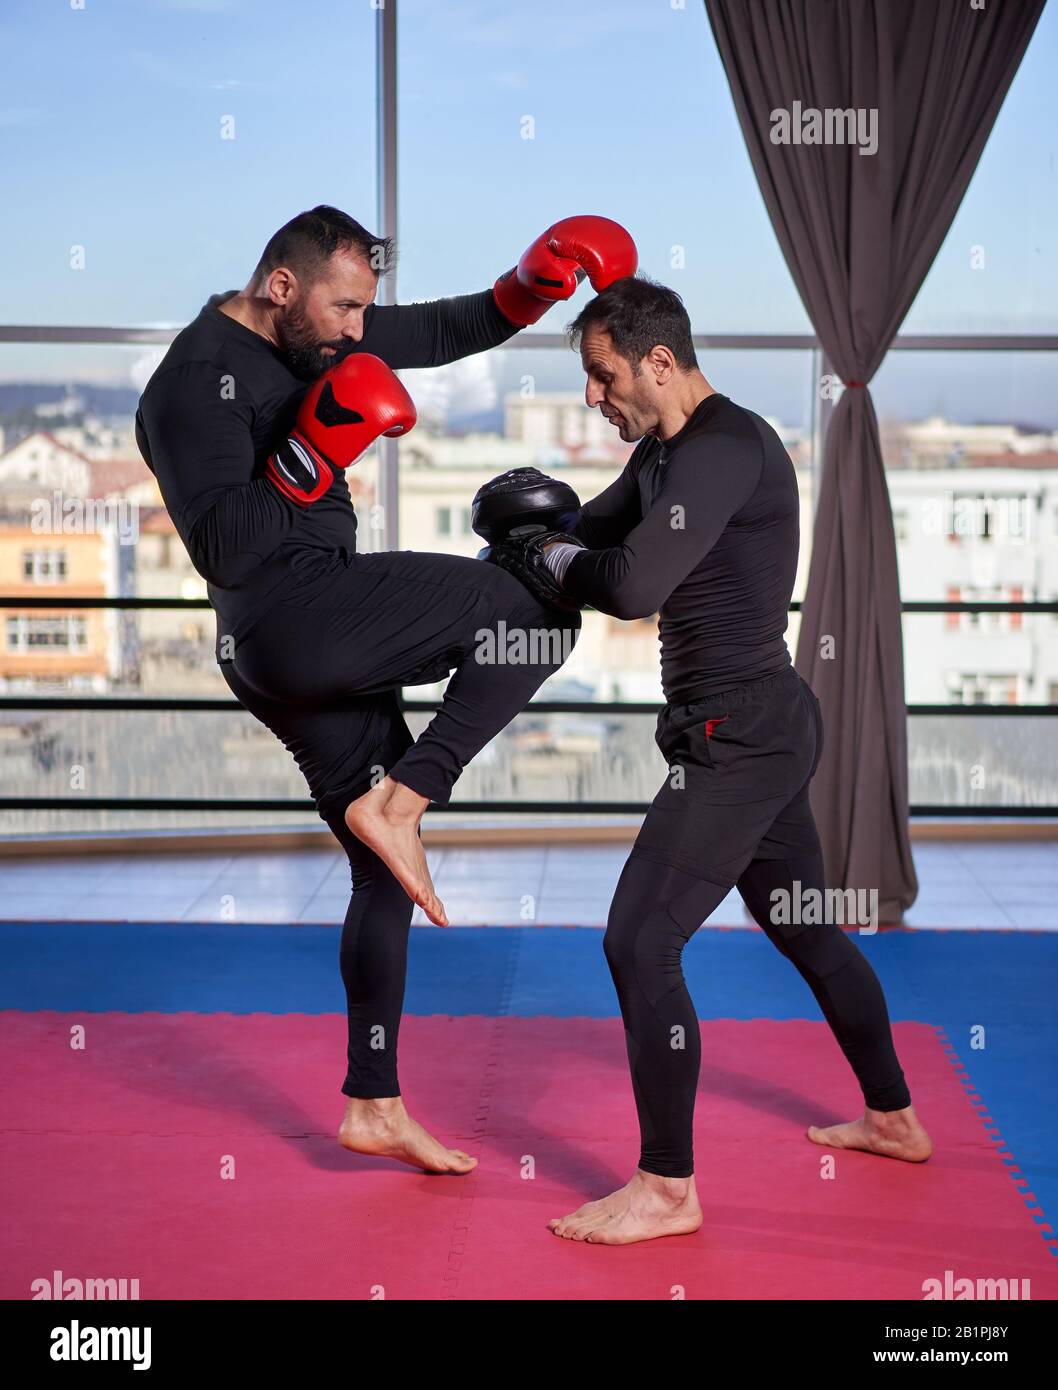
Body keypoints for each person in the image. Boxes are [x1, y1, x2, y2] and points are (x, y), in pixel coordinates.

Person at [134, 205, 636, 1174]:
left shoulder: (327, 330)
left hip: (302, 651)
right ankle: (409, 797)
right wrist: (312, 447)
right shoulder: (195, 382)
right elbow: (224, 549)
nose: (360, 330)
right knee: (535, 611)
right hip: (292, 615)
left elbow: (449, 329)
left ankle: (373, 1099)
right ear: (281, 286)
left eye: (366, 308)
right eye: (346, 307)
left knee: (378, 873)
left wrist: (532, 286)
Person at [522, 275, 933, 1244]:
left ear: (656, 362)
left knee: (636, 942)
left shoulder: (722, 450)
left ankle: (666, 1186)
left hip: (739, 737)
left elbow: (627, 585)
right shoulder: (667, 454)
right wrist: (526, 525)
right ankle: (893, 1118)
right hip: (755, 725)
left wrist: (544, 560)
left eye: (601, 375)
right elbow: (597, 527)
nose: (592, 396)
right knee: (805, 929)